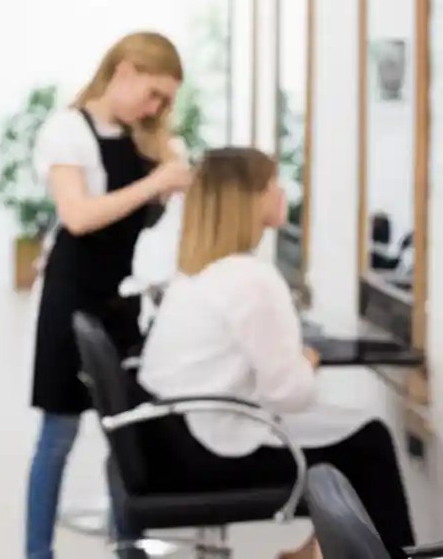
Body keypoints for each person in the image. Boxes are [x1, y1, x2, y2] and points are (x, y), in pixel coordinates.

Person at [139, 148, 416, 559]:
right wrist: (307, 361)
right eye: (272, 184)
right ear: (248, 198)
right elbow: (291, 395)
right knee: (369, 444)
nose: (281, 192)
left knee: (355, 439)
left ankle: (309, 553)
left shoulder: (196, 274)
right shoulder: (251, 278)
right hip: (212, 451)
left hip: (172, 440)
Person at [25, 31, 192, 559]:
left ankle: (128, 547)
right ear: (123, 71)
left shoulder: (150, 140)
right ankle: (37, 553)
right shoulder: (65, 130)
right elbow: (78, 215)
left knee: (126, 438)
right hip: (71, 300)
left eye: (166, 100)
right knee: (59, 435)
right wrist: (156, 181)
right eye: (154, 94)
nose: (157, 107)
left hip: (123, 303)